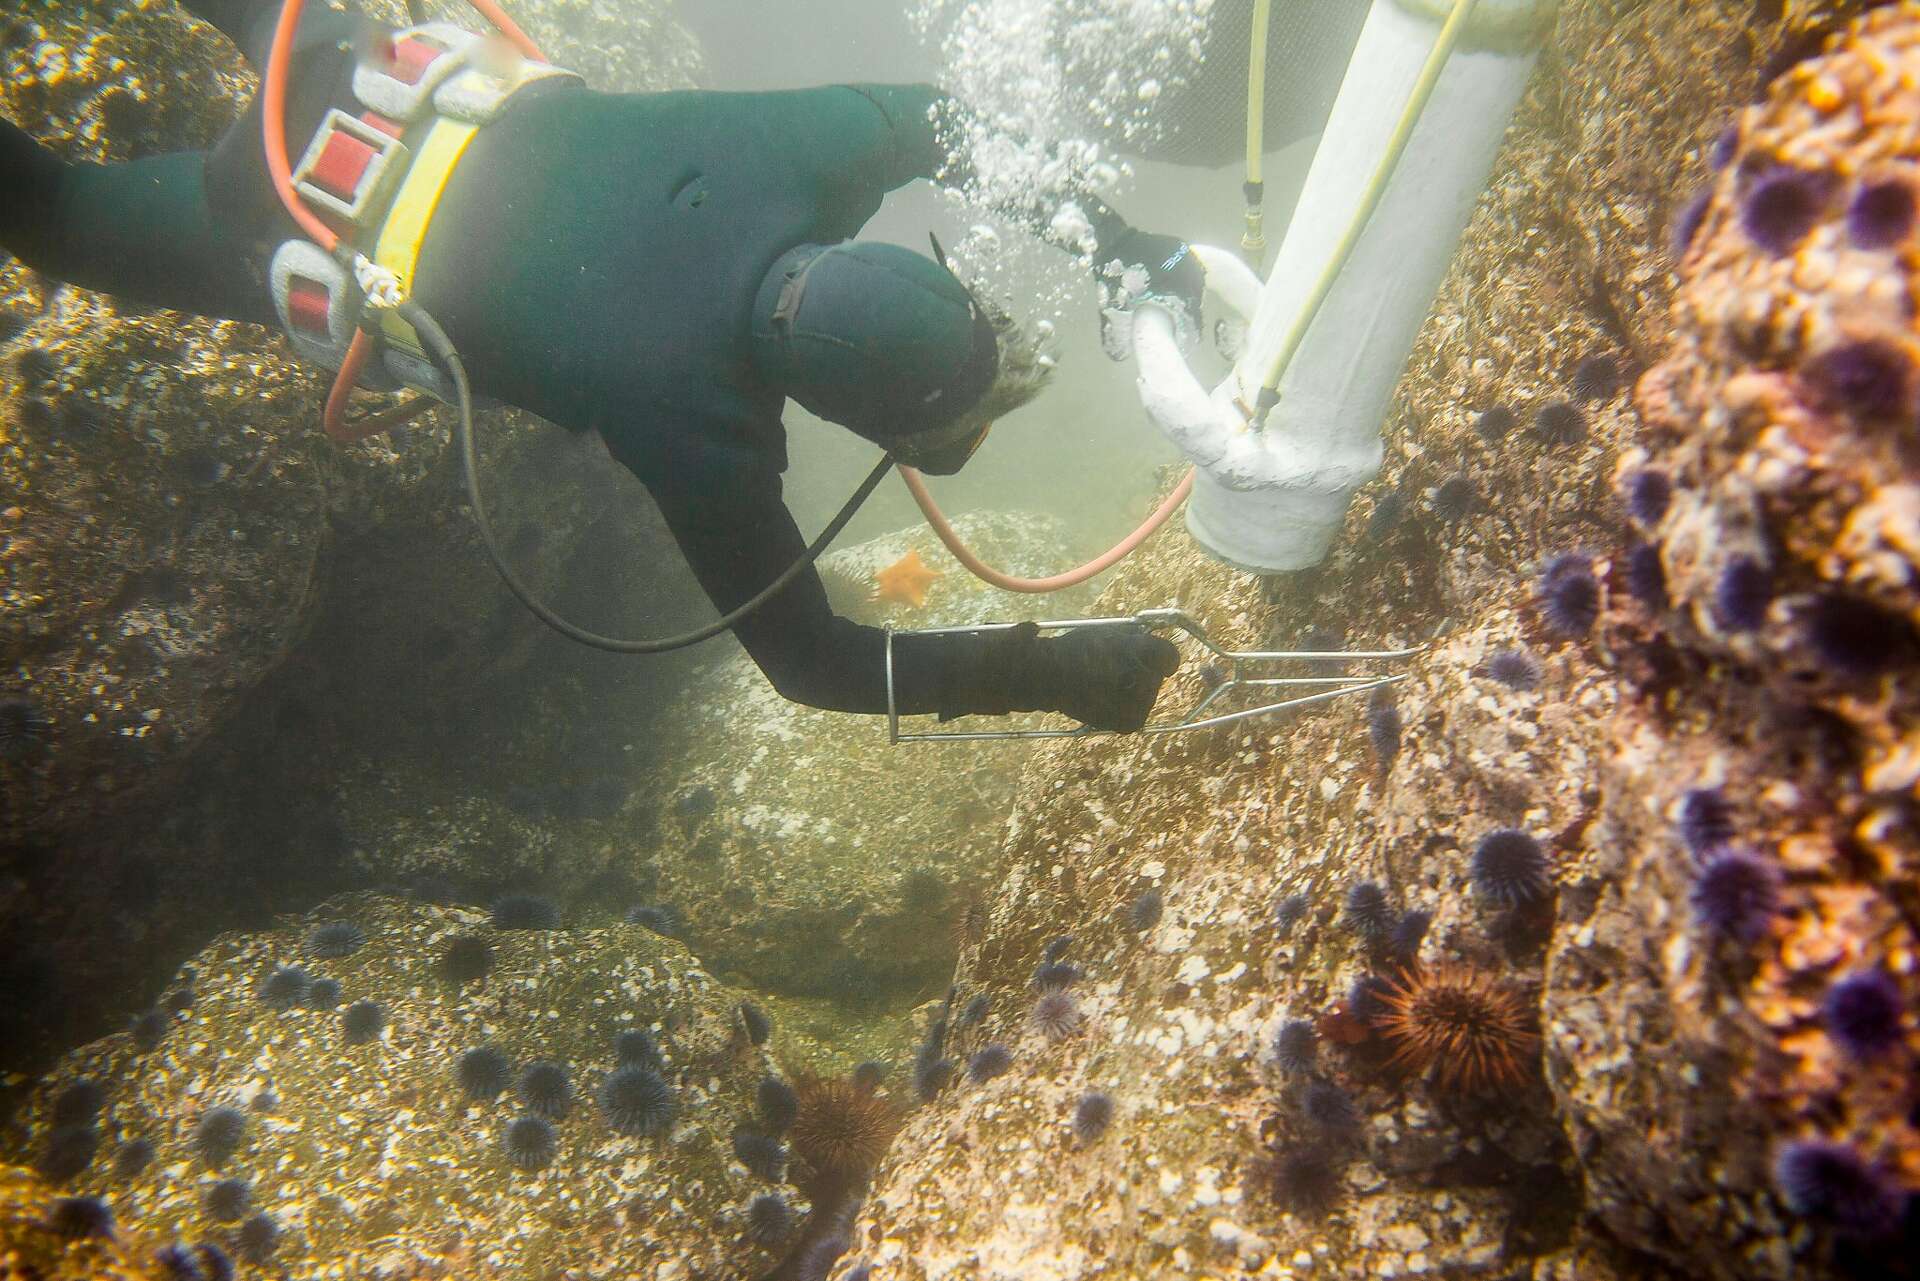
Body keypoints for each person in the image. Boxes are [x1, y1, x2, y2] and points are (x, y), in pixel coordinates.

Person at [0, 0, 1197, 731]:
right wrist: (1055, 674)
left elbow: (945, 121)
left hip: (371, 83)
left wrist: (1134, 257)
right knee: (48, 211)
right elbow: (815, 667)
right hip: (291, 217)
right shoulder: (698, 429)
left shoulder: (797, 151)